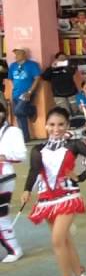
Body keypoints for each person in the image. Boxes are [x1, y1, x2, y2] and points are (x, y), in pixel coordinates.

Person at [20, 107, 86, 276]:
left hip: (68, 196)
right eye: (51, 124)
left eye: (60, 125)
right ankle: (80, 273)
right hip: (46, 199)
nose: (55, 128)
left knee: (57, 240)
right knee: (65, 240)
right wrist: (26, 190)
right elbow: (34, 171)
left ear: (66, 126)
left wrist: (80, 177)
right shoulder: (37, 149)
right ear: (45, 125)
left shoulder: (74, 145)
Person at [0, 102, 25, 262]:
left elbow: (21, 154)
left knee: (1, 216)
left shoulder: (13, 131)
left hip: (4, 176)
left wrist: (3, 156)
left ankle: (14, 249)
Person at [33, 51, 79, 116]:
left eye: (64, 58)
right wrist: (52, 68)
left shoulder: (70, 67)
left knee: (76, 111)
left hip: (72, 93)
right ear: (56, 59)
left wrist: (67, 65)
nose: (62, 60)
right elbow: (44, 77)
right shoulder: (52, 69)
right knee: (64, 113)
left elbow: (72, 71)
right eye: (60, 58)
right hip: (58, 95)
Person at [9, 47, 41, 140]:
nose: (16, 56)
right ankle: (25, 138)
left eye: (18, 54)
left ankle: (32, 110)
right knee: (20, 115)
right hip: (15, 93)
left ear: (24, 55)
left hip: (26, 93)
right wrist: (14, 87)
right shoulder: (12, 65)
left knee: (18, 111)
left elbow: (37, 78)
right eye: (15, 54)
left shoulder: (32, 65)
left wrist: (30, 92)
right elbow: (11, 78)